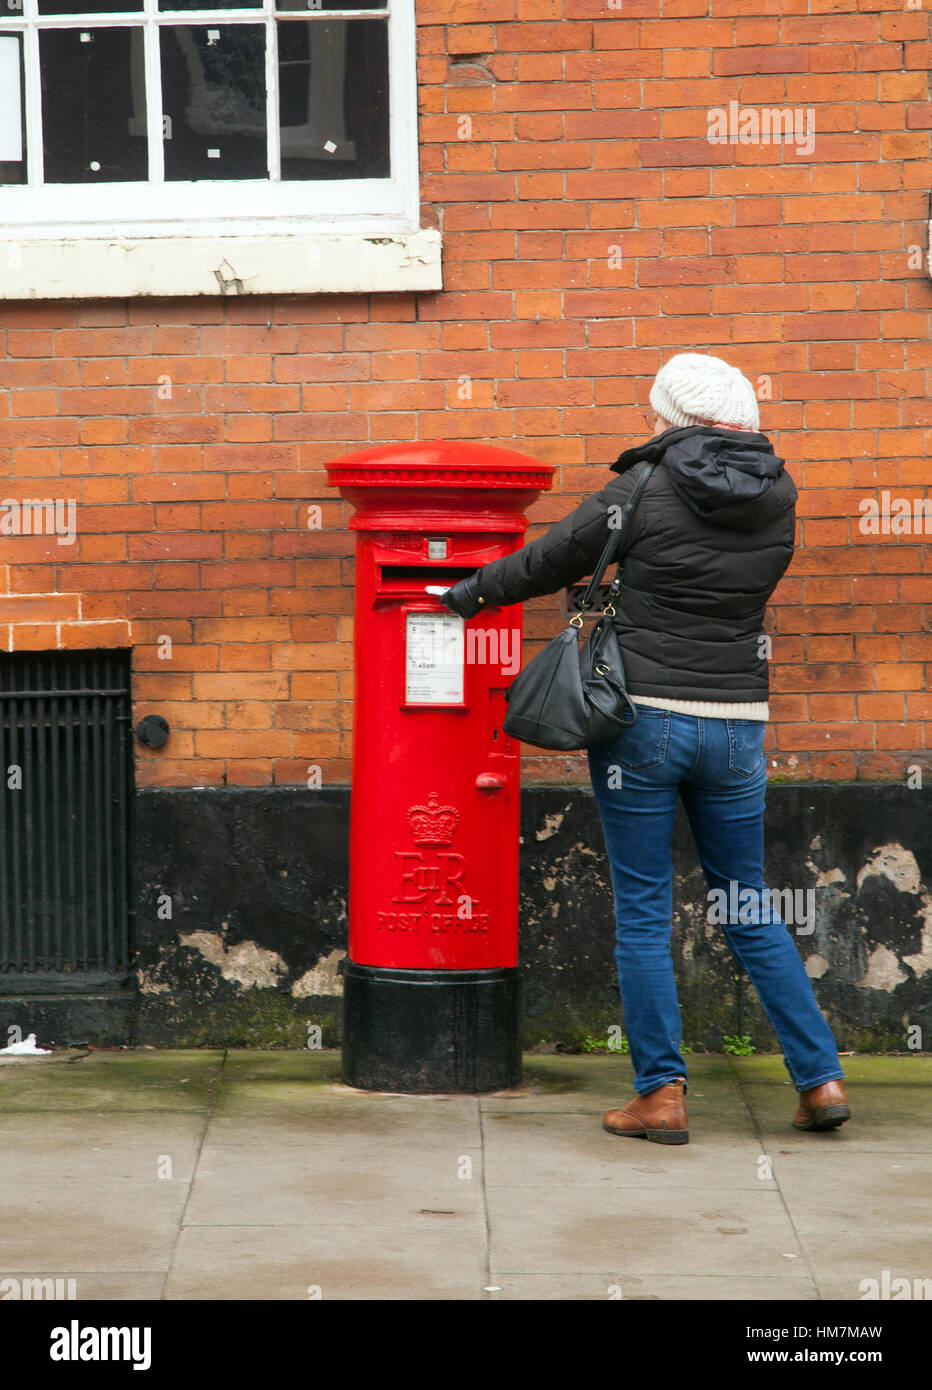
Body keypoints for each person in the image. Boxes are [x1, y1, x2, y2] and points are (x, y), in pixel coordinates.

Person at [440, 352, 849, 1145]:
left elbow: (550, 558)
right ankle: (820, 1079)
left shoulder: (645, 485)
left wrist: (463, 594)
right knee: (746, 901)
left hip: (644, 720)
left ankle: (660, 1096)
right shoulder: (780, 494)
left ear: (674, 415)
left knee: (642, 906)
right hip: (737, 721)